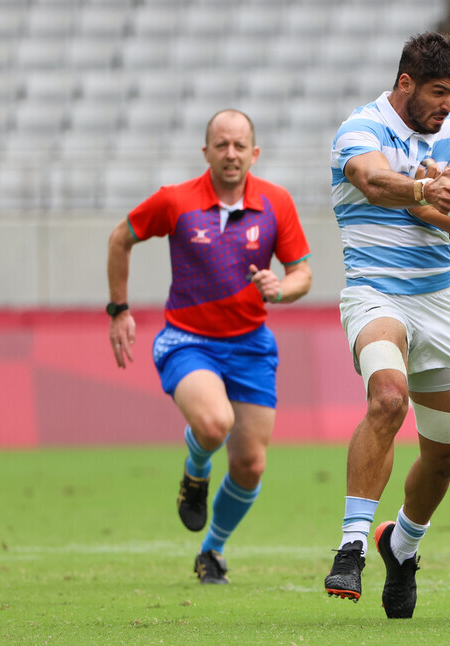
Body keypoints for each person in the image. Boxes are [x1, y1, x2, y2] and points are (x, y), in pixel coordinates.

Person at [323, 32, 450, 619]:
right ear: (405, 84)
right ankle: (352, 544)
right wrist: (426, 189)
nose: (448, 105)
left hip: (439, 301)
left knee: (446, 456)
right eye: (438, 92)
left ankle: (401, 547)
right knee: (388, 397)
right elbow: (373, 182)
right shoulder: (361, 128)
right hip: (374, 293)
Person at [106, 109, 313, 584]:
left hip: (251, 344)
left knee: (250, 464)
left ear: (254, 153)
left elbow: (303, 273)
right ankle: (195, 468)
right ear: (206, 152)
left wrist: (281, 287)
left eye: (240, 145)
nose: (231, 153)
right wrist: (119, 309)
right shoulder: (175, 201)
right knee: (215, 423)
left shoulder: (276, 202)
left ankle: (212, 550)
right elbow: (121, 237)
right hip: (188, 340)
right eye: (221, 145)